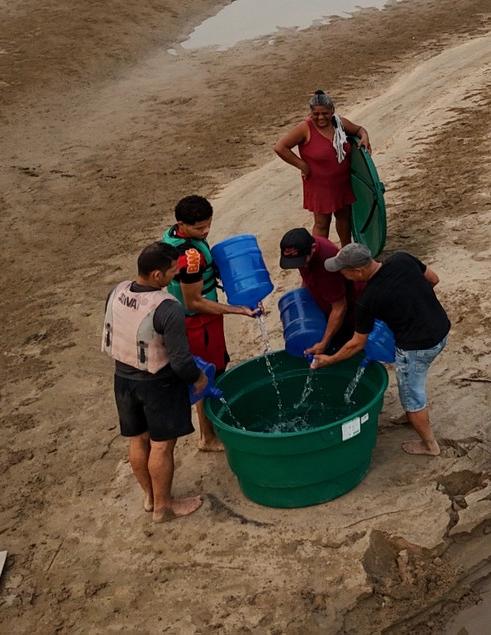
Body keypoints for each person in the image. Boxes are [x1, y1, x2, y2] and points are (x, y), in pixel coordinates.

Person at [310, 243, 451, 457]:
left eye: (343, 272)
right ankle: (409, 412)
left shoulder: (368, 301)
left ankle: (429, 445)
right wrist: (411, 305)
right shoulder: (401, 258)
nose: (342, 276)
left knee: (413, 397)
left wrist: (330, 360)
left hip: (417, 348)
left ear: (358, 271)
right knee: (410, 386)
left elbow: (357, 344)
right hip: (441, 329)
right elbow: (433, 279)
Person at [103, 243, 206, 522]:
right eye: (173, 270)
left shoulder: (117, 291)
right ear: (157, 275)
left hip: (123, 378)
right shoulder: (167, 307)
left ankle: (150, 497)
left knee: (138, 439)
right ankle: (164, 506)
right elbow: (181, 360)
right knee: (162, 445)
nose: (176, 274)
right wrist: (199, 378)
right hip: (157, 383)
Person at [160, 195, 262, 452]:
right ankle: (207, 437)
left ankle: (212, 428)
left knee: (215, 368)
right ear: (181, 223)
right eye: (199, 228)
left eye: (208, 225)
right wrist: (238, 309)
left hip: (201, 321)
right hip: (198, 323)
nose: (205, 231)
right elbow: (194, 302)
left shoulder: (174, 235)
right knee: (207, 374)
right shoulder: (190, 257)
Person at [273, 90, 371, 246]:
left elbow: (360, 130)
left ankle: (347, 251)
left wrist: (364, 137)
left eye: (324, 113)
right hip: (319, 185)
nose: (320, 117)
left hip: (342, 182)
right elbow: (280, 147)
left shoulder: (340, 123)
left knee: (344, 217)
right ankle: (321, 254)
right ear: (310, 113)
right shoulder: (305, 128)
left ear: (332, 111)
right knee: (322, 223)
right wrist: (302, 165)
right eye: (315, 114)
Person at [278, 226, 365, 356]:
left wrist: (324, 342)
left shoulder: (326, 265)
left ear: (313, 248)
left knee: (341, 352)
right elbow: (306, 279)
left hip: (349, 315)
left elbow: (340, 308)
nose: (299, 265)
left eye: (300, 261)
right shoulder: (303, 253)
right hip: (327, 306)